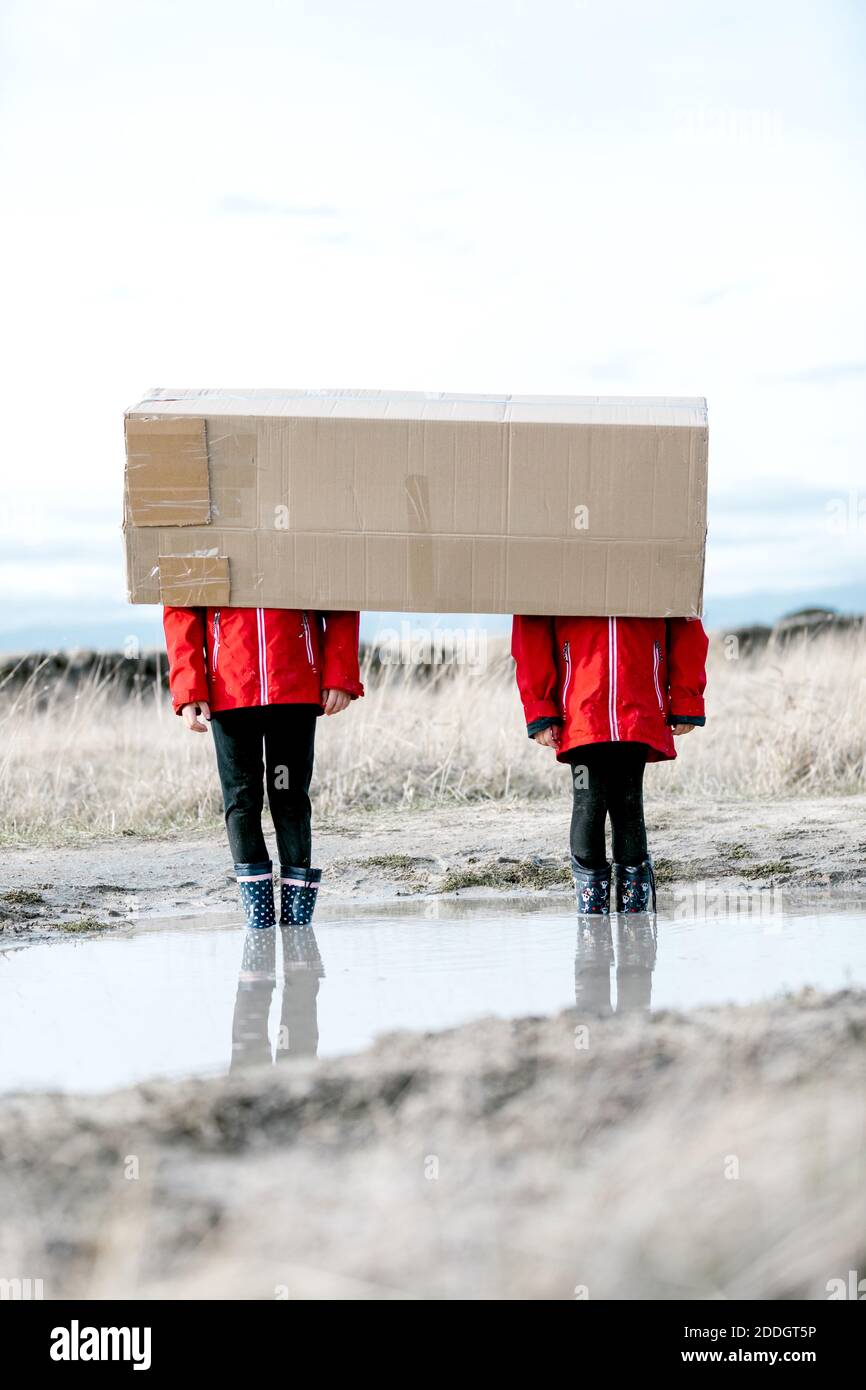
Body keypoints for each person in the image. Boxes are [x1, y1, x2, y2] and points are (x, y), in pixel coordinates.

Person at [163, 606, 362, 928]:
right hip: (229, 692)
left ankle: (299, 921)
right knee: (242, 799)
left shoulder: (306, 552)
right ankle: (260, 920)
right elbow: (180, 610)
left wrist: (339, 675)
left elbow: (338, 599)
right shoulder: (203, 555)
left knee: (289, 796)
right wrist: (188, 690)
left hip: (293, 691)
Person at [511, 615, 708, 914]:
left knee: (628, 804)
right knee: (588, 802)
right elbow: (530, 626)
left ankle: (636, 922)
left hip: (638, 706)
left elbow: (686, 619)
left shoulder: (658, 566)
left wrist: (685, 698)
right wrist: (540, 707)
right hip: (579, 712)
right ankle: (591, 921)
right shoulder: (554, 567)